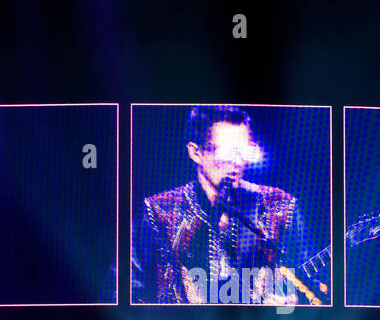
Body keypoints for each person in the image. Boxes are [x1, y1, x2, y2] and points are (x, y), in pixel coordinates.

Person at [131, 105, 309, 304]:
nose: (236, 161)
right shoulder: (159, 210)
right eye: (225, 151)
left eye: (243, 150)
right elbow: (124, 293)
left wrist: (289, 306)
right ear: (195, 152)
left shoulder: (280, 207)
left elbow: (310, 287)